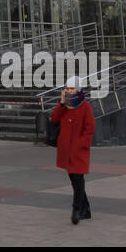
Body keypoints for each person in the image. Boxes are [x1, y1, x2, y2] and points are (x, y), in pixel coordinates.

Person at [50, 75, 95, 224]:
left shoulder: (85, 106)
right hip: (66, 150)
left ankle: (76, 209)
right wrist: (62, 103)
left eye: (72, 88)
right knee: (74, 180)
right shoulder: (65, 105)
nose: (70, 91)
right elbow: (54, 118)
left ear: (79, 89)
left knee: (78, 179)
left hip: (78, 150)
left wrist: (82, 143)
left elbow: (90, 128)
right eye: (68, 88)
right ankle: (86, 209)